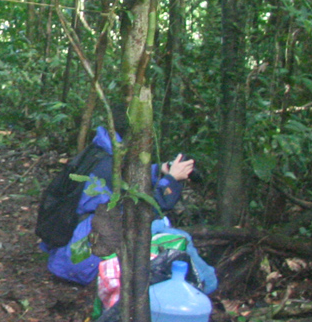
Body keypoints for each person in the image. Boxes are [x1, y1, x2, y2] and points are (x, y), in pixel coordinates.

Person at [38, 104, 198, 288]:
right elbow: (142, 210)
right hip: (79, 260)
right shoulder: (106, 167)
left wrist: (158, 170)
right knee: (175, 236)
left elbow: (124, 178)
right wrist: (170, 181)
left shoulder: (102, 152)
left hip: (70, 248)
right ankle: (207, 285)